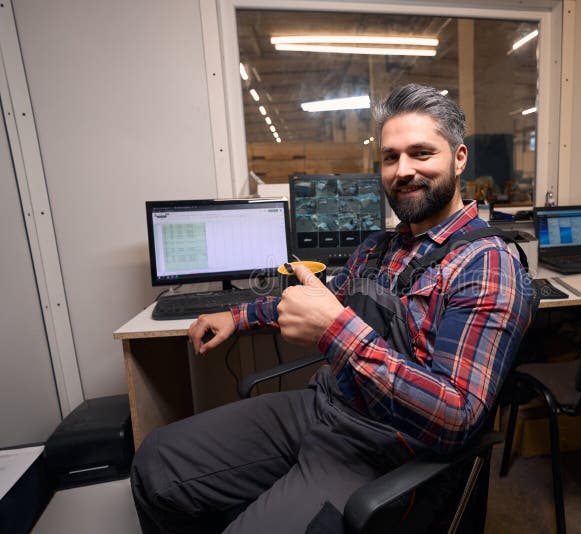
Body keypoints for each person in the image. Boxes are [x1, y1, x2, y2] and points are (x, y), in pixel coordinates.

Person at [130, 83, 534, 533]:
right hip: (324, 409)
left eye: (421, 153)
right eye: (389, 157)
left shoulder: (487, 265)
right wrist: (238, 316)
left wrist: (336, 331)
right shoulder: (381, 246)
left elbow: (457, 415)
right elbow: (332, 295)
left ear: (459, 159)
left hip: (387, 447)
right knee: (156, 463)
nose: (402, 170)